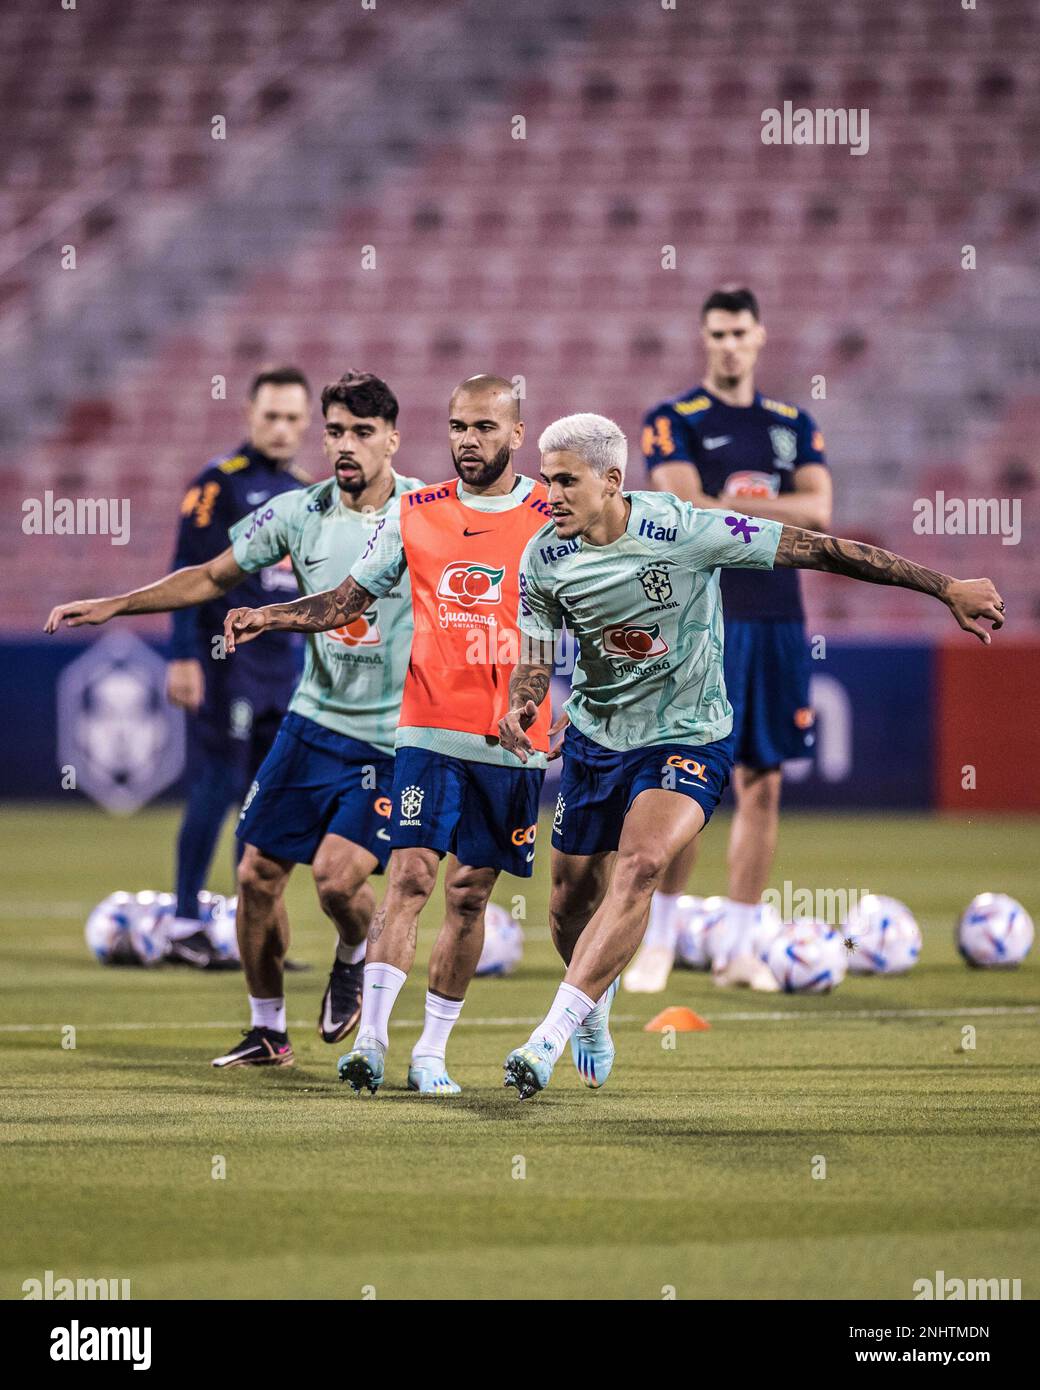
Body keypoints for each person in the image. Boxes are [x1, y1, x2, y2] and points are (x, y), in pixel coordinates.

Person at [497, 413, 1003, 1099]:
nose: (548, 494)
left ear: (612, 482)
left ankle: (549, 1034)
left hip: (688, 732)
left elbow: (822, 550)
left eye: (564, 481)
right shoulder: (543, 558)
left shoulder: (685, 530)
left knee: (643, 864)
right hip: (595, 738)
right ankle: (593, 1008)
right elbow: (533, 655)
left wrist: (945, 586)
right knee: (566, 903)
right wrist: (525, 702)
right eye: (544, 479)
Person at [46, 372, 420, 1067]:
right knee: (255, 876)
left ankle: (353, 950)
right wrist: (116, 603)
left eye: (362, 434)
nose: (345, 445)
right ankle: (268, 1030)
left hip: (392, 737)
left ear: (392, 440)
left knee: (338, 880)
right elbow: (211, 574)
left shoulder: (425, 515)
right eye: (335, 430)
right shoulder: (295, 511)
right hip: (311, 723)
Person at [222, 375, 555, 1094]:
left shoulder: (550, 515)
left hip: (510, 742)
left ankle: (430, 1051)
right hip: (426, 727)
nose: (469, 440)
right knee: (406, 879)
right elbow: (349, 598)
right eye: (459, 426)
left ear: (518, 435)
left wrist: (547, 704)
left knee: (469, 897)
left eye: (486, 428)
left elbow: (574, 614)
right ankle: (370, 1042)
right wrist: (268, 616)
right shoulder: (418, 509)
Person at [636, 287, 832, 990]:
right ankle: (659, 937)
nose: (728, 343)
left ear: (759, 337)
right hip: (704, 619)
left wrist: (734, 504)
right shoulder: (673, 418)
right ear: (704, 338)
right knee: (688, 781)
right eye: (716, 332)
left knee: (764, 781)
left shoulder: (791, 423)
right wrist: (766, 510)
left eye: (739, 332)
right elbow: (687, 507)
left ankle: (741, 950)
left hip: (779, 617)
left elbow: (821, 510)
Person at [165, 366, 312, 967]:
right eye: (270, 416)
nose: (280, 428)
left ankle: (249, 930)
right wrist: (181, 657)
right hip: (226, 665)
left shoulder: (308, 491)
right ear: (249, 416)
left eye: (292, 418)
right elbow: (184, 573)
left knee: (266, 800)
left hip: (284, 670)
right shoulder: (217, 485)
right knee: (216, 785)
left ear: (307, 423)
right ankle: (182, 923)